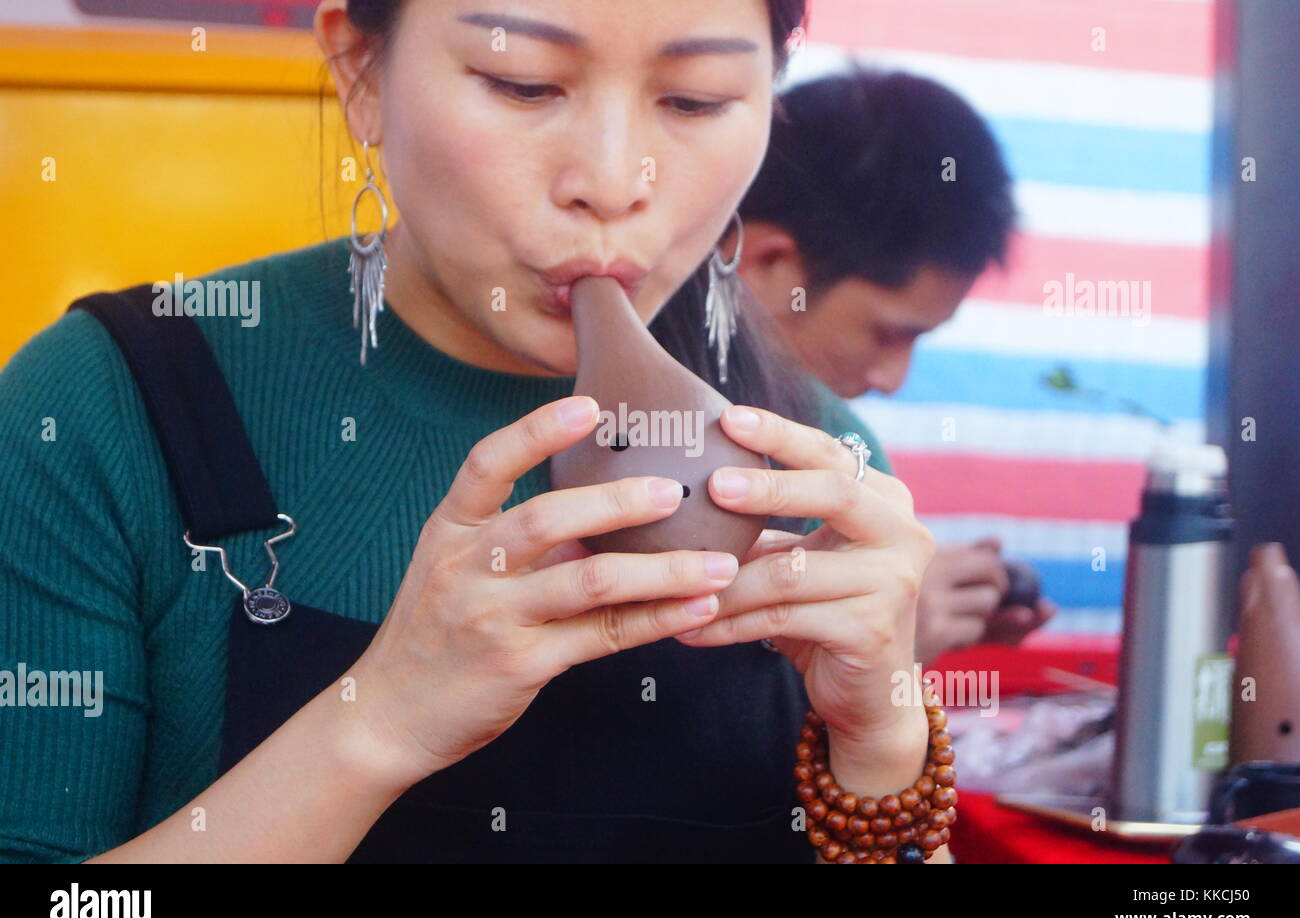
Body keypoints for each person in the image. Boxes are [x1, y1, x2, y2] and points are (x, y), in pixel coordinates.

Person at [0, 1, 953, 863]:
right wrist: (373, 727)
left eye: (697, 101)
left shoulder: (813, 458)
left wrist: (883, 749)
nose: (613, 183)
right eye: (523, 82)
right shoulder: (103, 407)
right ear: (362, 73)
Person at [732, 66, 1056, 665]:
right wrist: (886, 656)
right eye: (889, 333)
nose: (892, 380)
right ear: (767, 262)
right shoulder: (835, 447)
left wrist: (904, 625)